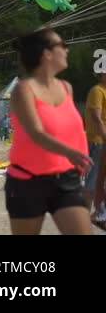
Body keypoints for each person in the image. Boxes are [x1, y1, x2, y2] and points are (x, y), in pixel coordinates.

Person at [6, 28, 92, 235]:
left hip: (66, 179)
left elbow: (74, 131)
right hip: (27, 182)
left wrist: (80, 158)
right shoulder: (24, 89)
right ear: (47, 54)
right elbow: (36, 133)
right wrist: (70, 152)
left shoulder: (66, 88)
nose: (67, 50)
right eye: (62, 45)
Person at [84, 73, 106, 226]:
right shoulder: (97, 91)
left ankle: (98, 213)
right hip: (98, 141)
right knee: (93, 179)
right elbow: (96, 117)